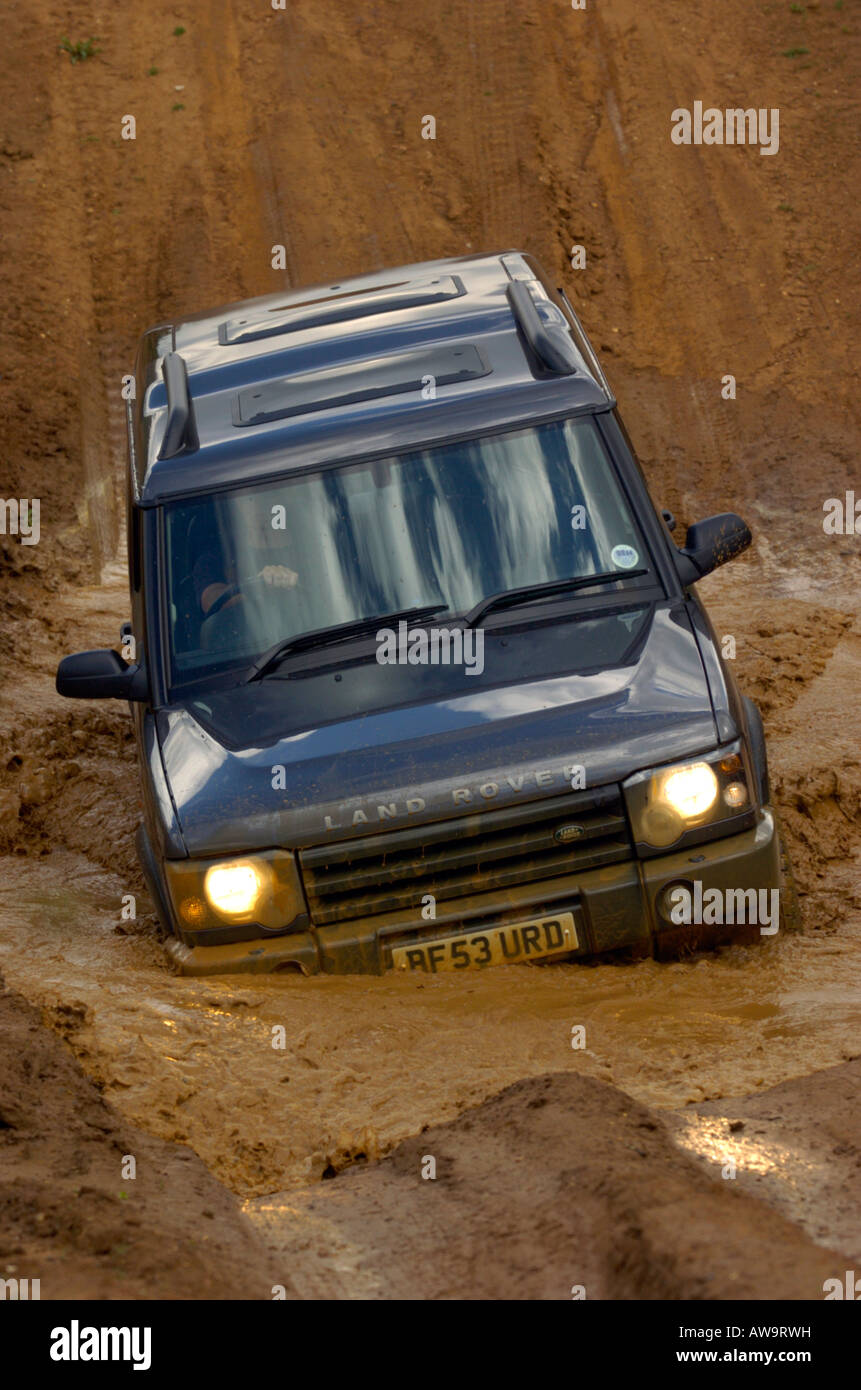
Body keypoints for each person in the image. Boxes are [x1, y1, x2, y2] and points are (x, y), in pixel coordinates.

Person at [192, 494, 298, 617]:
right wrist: (258, 590)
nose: (257, 505)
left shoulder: (310, 546)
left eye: (265, 497)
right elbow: (212, 601)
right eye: (248, 499)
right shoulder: (215, 558)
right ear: (235, 506)